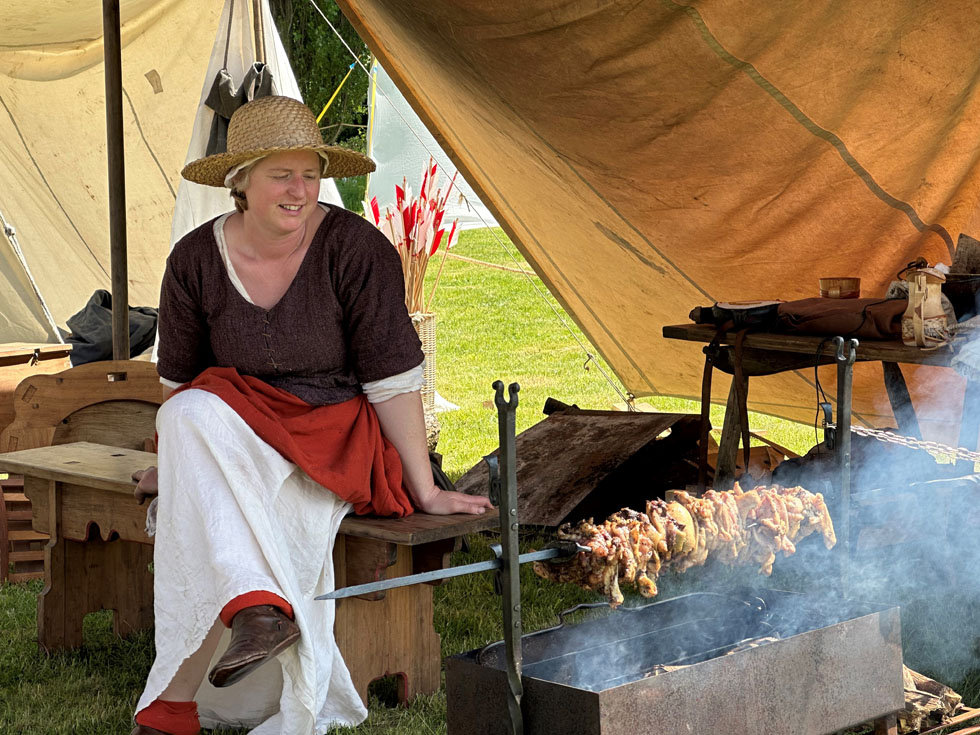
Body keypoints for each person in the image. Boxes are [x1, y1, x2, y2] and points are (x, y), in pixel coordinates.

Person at [130, 95, 493, 735]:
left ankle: (182, 693)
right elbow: (179, 383)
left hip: (332, 435)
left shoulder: (353, 250)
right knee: (187, 416)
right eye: (281, 175)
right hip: (236, 428)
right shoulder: (193, 260)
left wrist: (425, 486)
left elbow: (392, 376)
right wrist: (175, 466)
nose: (300, 190)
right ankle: (255, 613)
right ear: (240, 183)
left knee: (197, 437)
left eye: (310, 172)